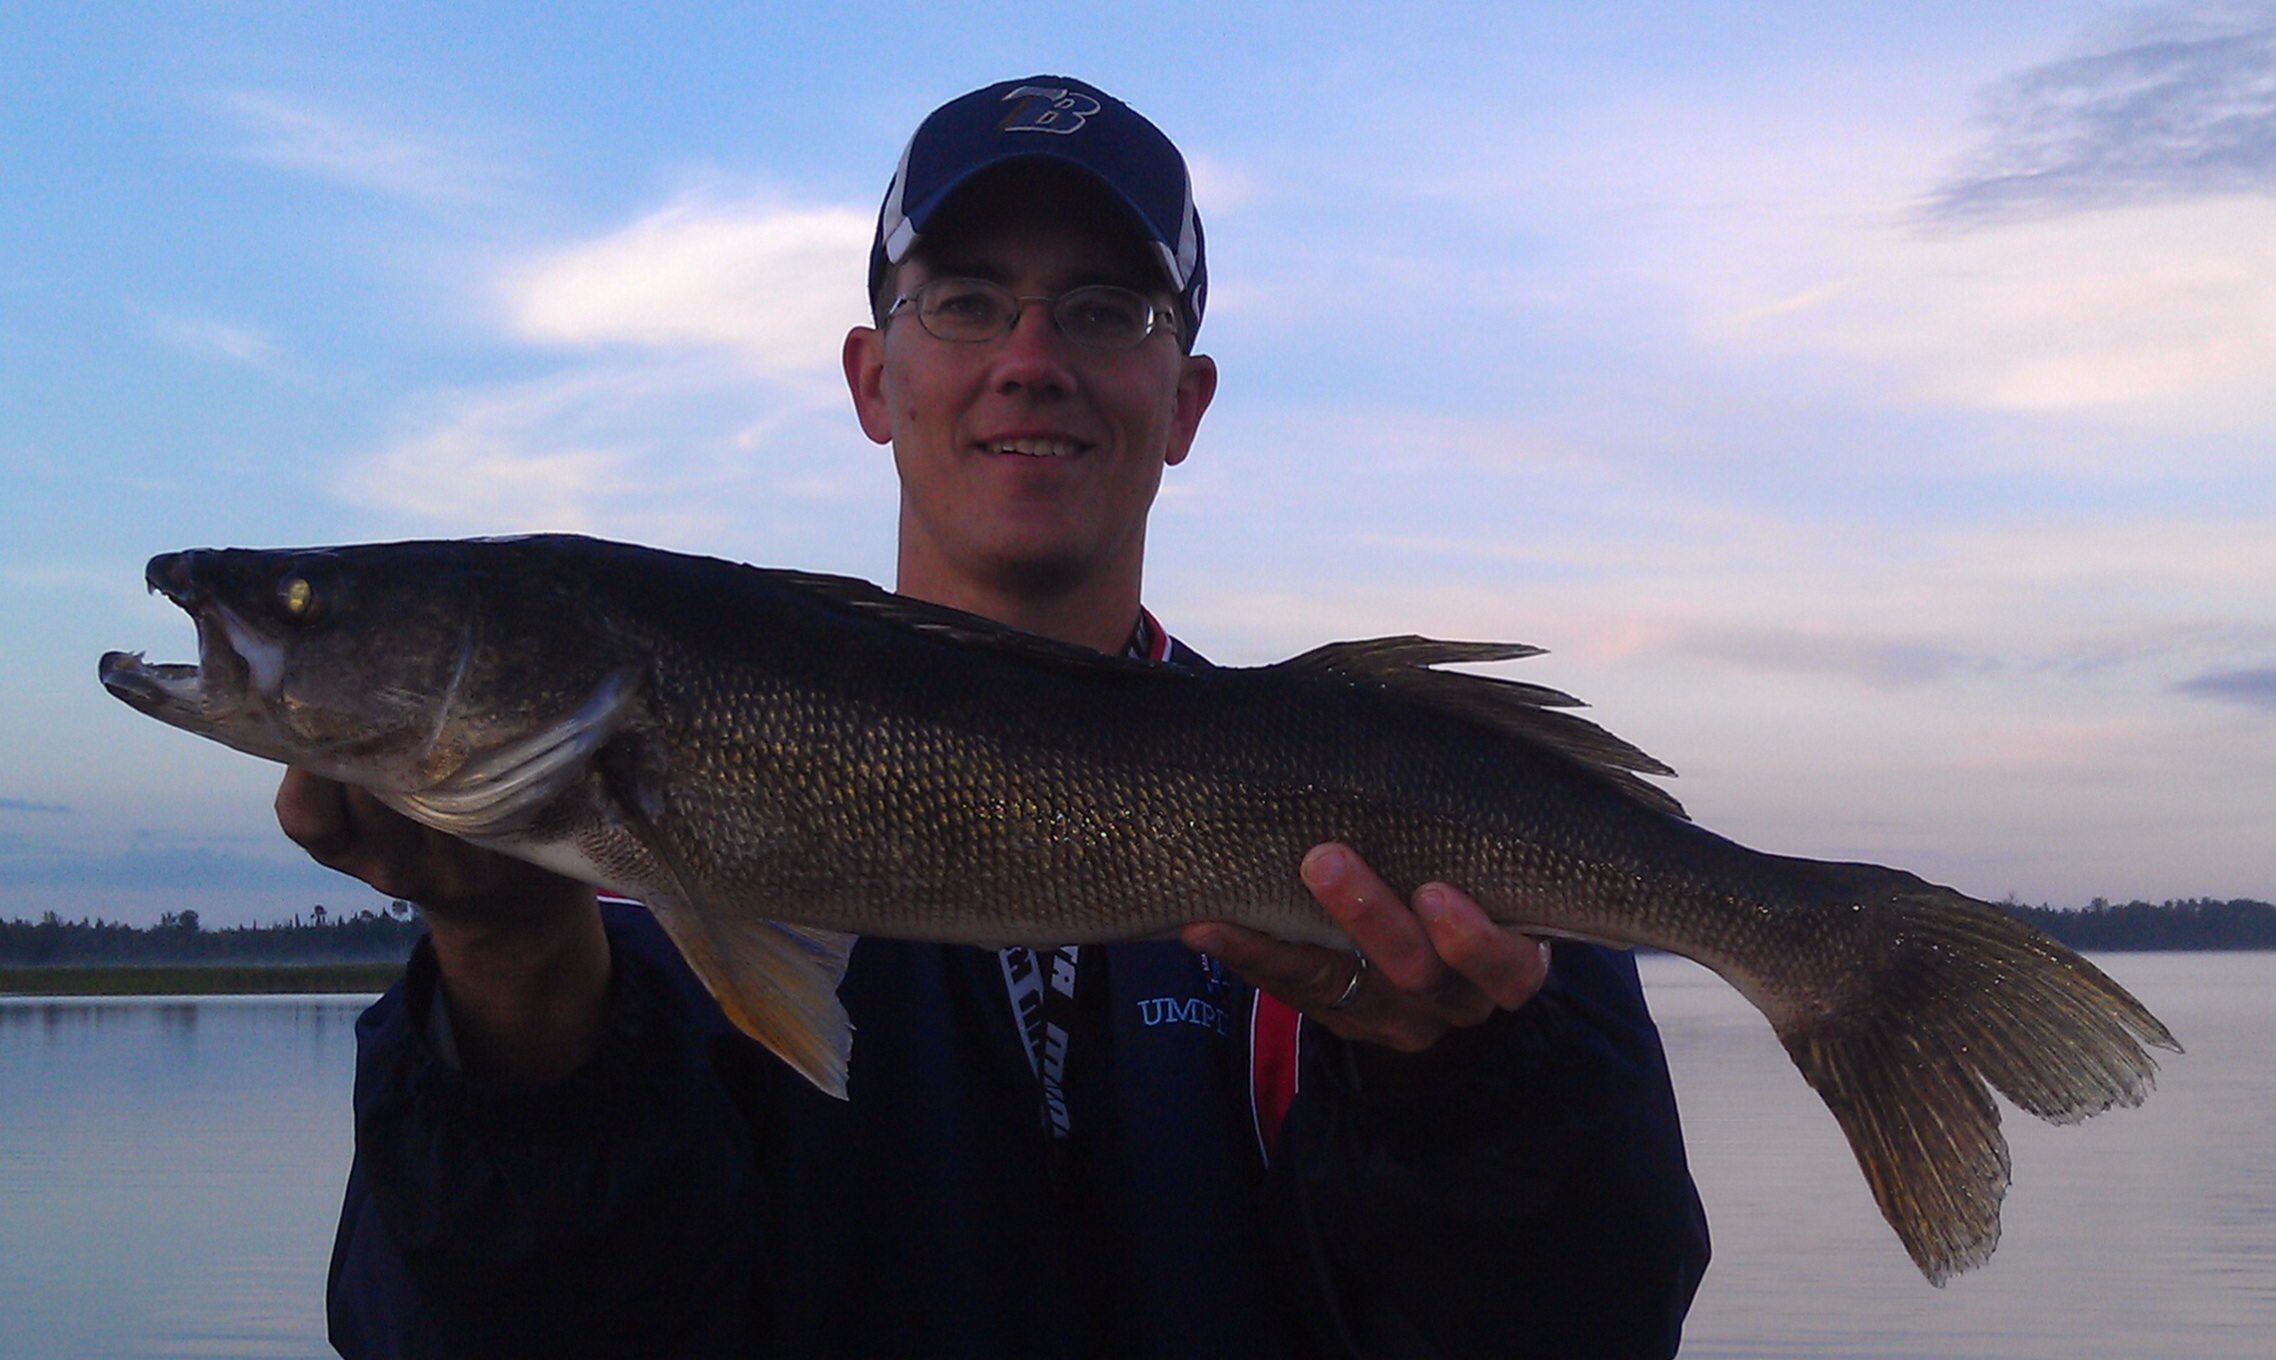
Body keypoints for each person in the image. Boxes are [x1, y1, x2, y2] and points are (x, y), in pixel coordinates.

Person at [290, 77, 1709, 1359]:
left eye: (1105, 308)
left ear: (1185, 402)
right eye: (966, 298)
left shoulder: (1425, 842)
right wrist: (513, 979)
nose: (1031, 356)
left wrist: (1464, 1090)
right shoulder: (633, 927)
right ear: (871, 377)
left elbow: (1596, 1326)